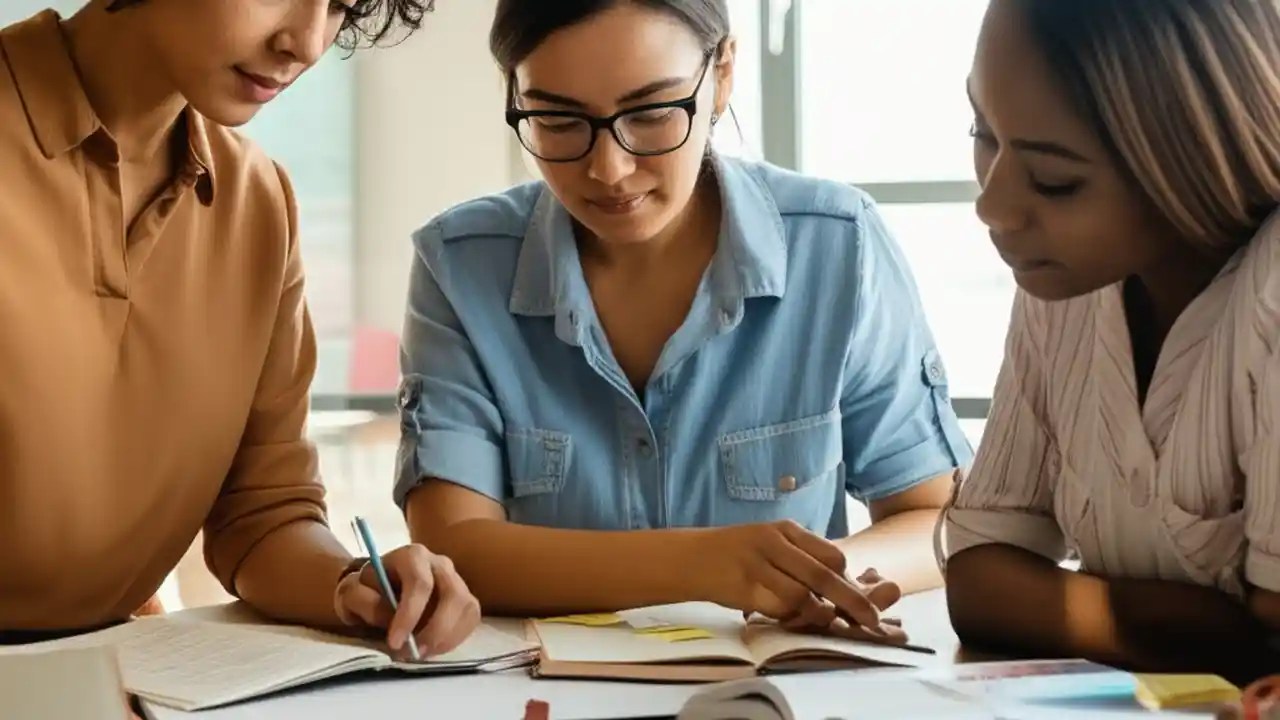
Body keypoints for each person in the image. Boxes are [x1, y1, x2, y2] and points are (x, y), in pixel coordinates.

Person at [396, 0, 972, 639]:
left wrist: (812, 578)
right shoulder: (459, 265)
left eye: (649, 114)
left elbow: (936, 519)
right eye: (558, 121)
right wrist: (708, 563)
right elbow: (457, 547)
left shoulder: (838, 246)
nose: (608, 170)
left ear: (722, 73)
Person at [0, 0, 479, 659]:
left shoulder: (259, 202)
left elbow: (263, 513)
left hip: (102, 671)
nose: (307, 42)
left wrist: (353, 584)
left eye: (343, 5)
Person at [942, 0, 1280, 683]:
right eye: (984, 132)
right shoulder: (1066, 284)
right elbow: (978, 578)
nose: (993, 206)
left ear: (1194, 159)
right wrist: (1208, 624)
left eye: (1055, 181)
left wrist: (1059, 601)